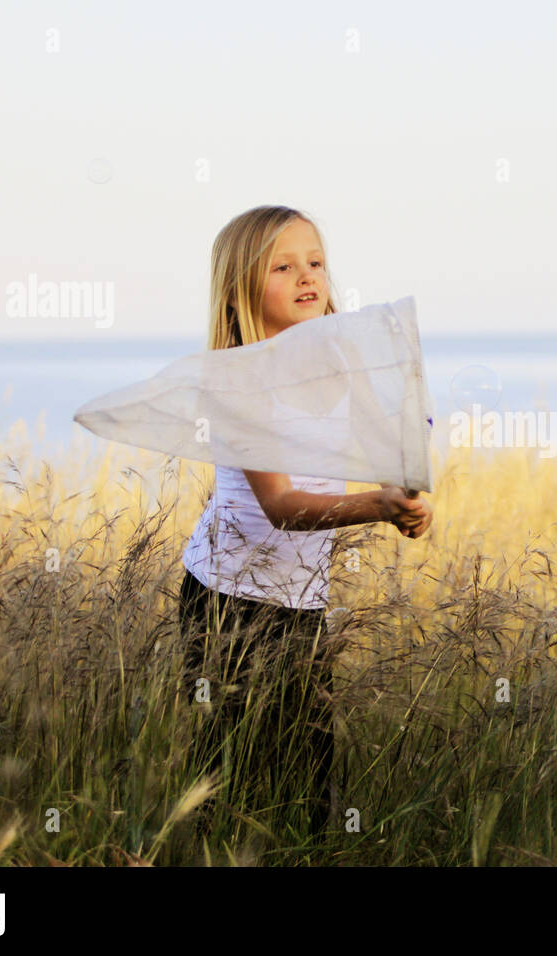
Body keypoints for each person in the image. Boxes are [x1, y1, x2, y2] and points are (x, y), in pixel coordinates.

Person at [177, 205, 432, 838]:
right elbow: (282, 508)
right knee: (225, 768)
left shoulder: (336, 367)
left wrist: (402, 496)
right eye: (283, 266)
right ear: (240, 290)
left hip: (300, 602)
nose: (307, 277)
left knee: (310, 771)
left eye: (315, 262)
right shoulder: (237, 384)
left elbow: (382, 444)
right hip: (225, 600)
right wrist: (374, 507)